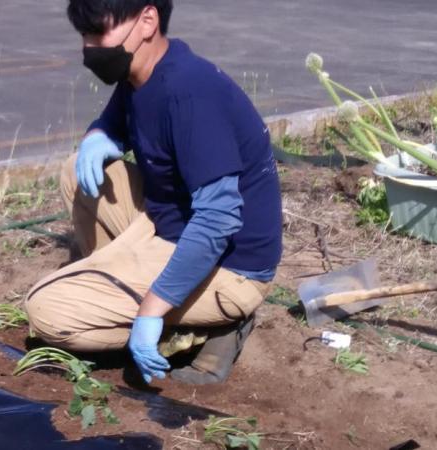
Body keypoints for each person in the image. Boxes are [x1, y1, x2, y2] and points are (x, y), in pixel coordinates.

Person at [25, 0, 282, 385]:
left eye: (99, 33)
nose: (90, 48)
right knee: (76, 173)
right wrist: (99, 134)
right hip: (172, 221)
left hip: (230, 266)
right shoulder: (145, 73)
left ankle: (210, 323)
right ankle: (126, 290)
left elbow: (219, 219)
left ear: (147, 21)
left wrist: (150, 311)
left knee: (45, 310)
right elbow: (116, 120)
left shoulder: (188, 94)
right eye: (84, 36)